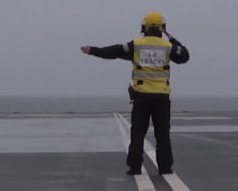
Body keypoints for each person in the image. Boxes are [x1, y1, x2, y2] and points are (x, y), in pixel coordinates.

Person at [80, 12, 189, 175]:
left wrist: (93, 51)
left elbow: (115, 51)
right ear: (162, 28)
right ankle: (165, 167)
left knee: (137, 132)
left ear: (144, 27)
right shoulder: (168, 46)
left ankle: (135, 166)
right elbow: (184, 56)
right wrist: (171, 37)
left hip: (142, 96)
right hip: (161, 97)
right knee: (163, 133)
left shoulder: (136, 44)